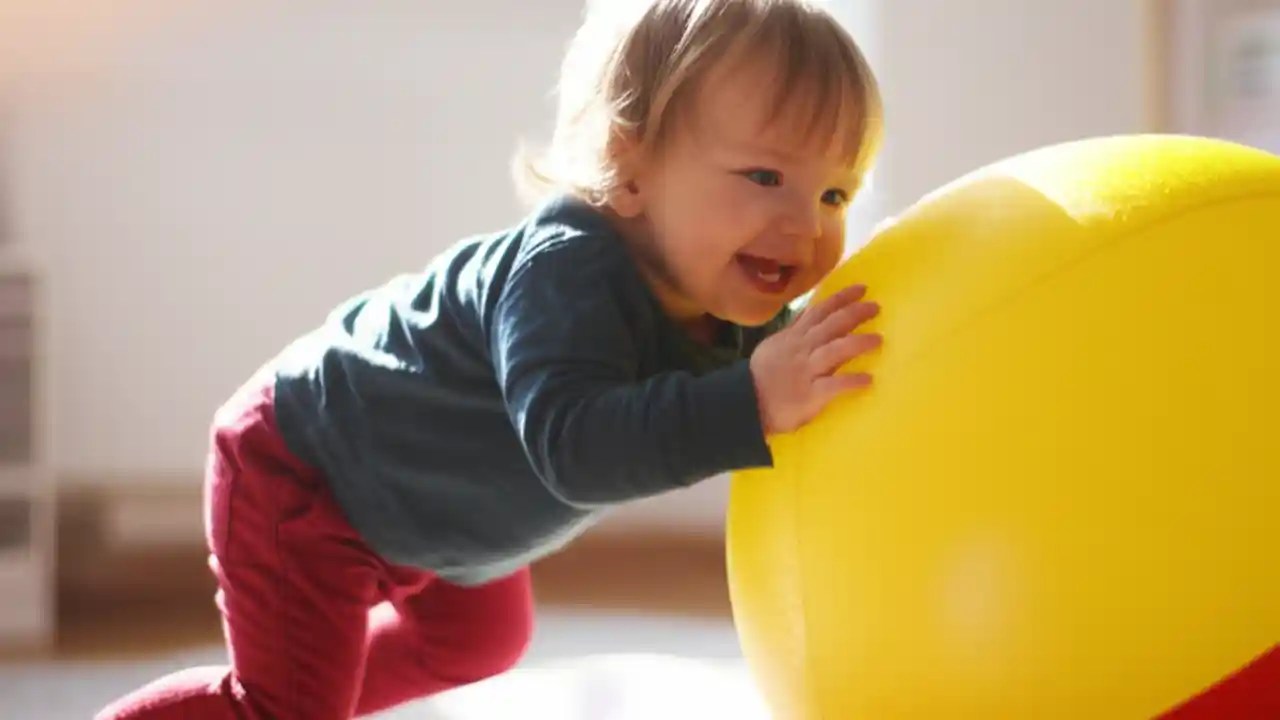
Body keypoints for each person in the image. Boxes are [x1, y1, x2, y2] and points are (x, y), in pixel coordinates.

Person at [96, 0, 884, 717]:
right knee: (282, 707)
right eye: (765, 176)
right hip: (311, 473)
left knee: (476, 645)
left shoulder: (735, 307)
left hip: (439, 510)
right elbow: (576, 448)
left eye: (834, 196)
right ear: (631, 165)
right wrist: (750, 402)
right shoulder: (566, 271)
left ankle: (313, 693)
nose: (805, 226)